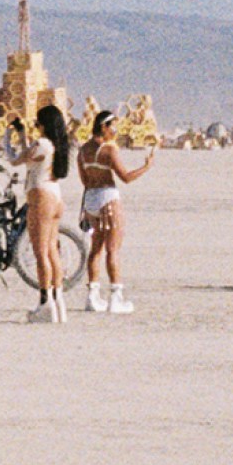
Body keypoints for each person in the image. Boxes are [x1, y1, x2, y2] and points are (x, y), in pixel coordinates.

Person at [78, 109, 155, 313]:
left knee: (96, 248)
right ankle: (115, 296)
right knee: (113, 249)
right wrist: (146, 167)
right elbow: (126, 177)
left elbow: (84, 180)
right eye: (112, 126)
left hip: (91, 200)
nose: (115, 131)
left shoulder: (83, 150)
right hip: (108, 198)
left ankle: (92, 296)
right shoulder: (109, 151)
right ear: (104, 127)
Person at [12, 105, 75, 323]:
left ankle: (44, 302)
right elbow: (29, 157)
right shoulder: (55, 146)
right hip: (55, 197)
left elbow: (16, 159)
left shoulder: (42, 144)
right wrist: (22, 135)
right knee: (52, 251)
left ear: (44, 125)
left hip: (40, 198)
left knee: (40, 253)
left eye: (37, 124)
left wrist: (6, 139)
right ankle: (58, 301)